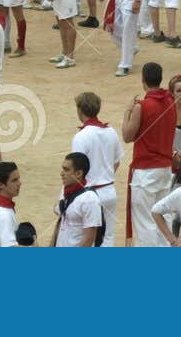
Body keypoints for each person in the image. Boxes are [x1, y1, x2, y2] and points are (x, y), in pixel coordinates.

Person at [122, 59, 177, 245]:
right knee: (164, 218)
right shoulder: (171, 101)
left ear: (143, 80)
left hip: (146, 172)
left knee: (145, 222)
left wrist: (127, 112)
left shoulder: (141, 106)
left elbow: (127, 136)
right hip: (165, 169)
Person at [70, 91, 123, 246]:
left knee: (90, 239)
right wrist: (105, 175)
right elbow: (117, 161)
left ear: (80, 110)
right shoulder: (111, 131)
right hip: (109, 191)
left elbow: (76, 169)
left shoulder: (81, 136)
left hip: (90, 194)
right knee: (108, 238)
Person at [54, 151, 106, 246]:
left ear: (78, 173)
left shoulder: (90, 200)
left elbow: (89, 239)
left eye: (66, 170)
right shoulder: (65, 191)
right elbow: (60, 223)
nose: (61, 173)